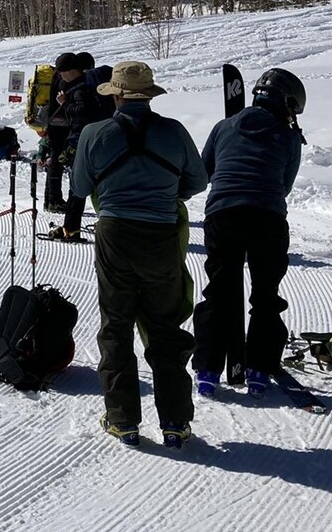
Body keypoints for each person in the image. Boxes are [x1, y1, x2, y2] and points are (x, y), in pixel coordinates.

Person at [69, 60, 208, 449]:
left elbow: (80, 186)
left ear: (115, 94)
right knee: (165, 324)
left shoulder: (95, 133)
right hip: (162, 233)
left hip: (114, 232)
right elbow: (197, 180)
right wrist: (164, 192)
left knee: (116, 324)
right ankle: (176, 422)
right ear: (148, 95)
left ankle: (123, 419)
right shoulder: (174, 131)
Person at [193, 68, 306, 399]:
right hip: (268, 217)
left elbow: (204, 172)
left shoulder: (223, 126)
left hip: (222, 214)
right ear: (286, 103)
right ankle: (259, 369)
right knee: (266, 295)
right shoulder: (288, 136)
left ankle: (208, 370)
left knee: (219, 292)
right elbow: (284, 185)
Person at [50, 53, 103, 241]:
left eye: (62, 72)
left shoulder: (81, 89)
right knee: (93, 185)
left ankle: (71, 229)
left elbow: (83, 113)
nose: (60, 75)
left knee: (78, 185)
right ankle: (72, 228)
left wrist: (65, 104)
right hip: (92, 141)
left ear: (72, 71)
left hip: (83, 142)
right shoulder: (84, 84)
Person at [41, 53, 77, 212]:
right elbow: (63, 100)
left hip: (54, 124)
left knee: (55, 161)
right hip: (60, 125)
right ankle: (54, 200)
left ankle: (50, 200)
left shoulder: (56, 77)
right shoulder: (63, 81)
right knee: (57, 162)